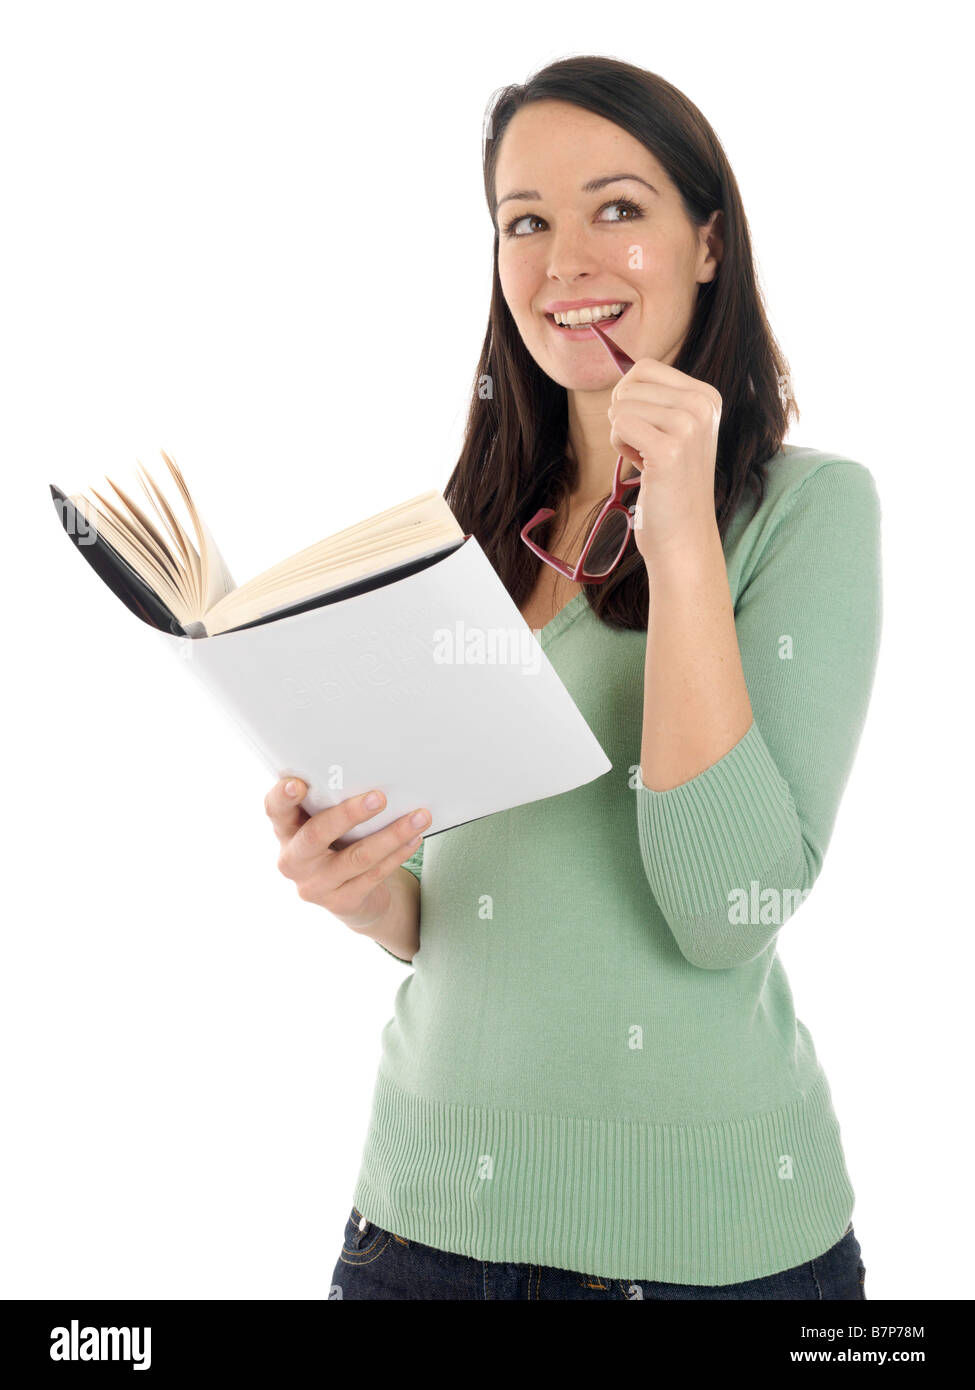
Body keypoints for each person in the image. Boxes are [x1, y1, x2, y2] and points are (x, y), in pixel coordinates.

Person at [266, 54, 880, 1300]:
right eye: (525, 223)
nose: (563, 264)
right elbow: (454, 901)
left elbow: (728, 908)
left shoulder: (810, 512)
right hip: (414, 1228)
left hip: (699, 1254)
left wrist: (685, 533)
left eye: (617, 209)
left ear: (708, 243)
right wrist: (364, 889)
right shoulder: (472, 526)